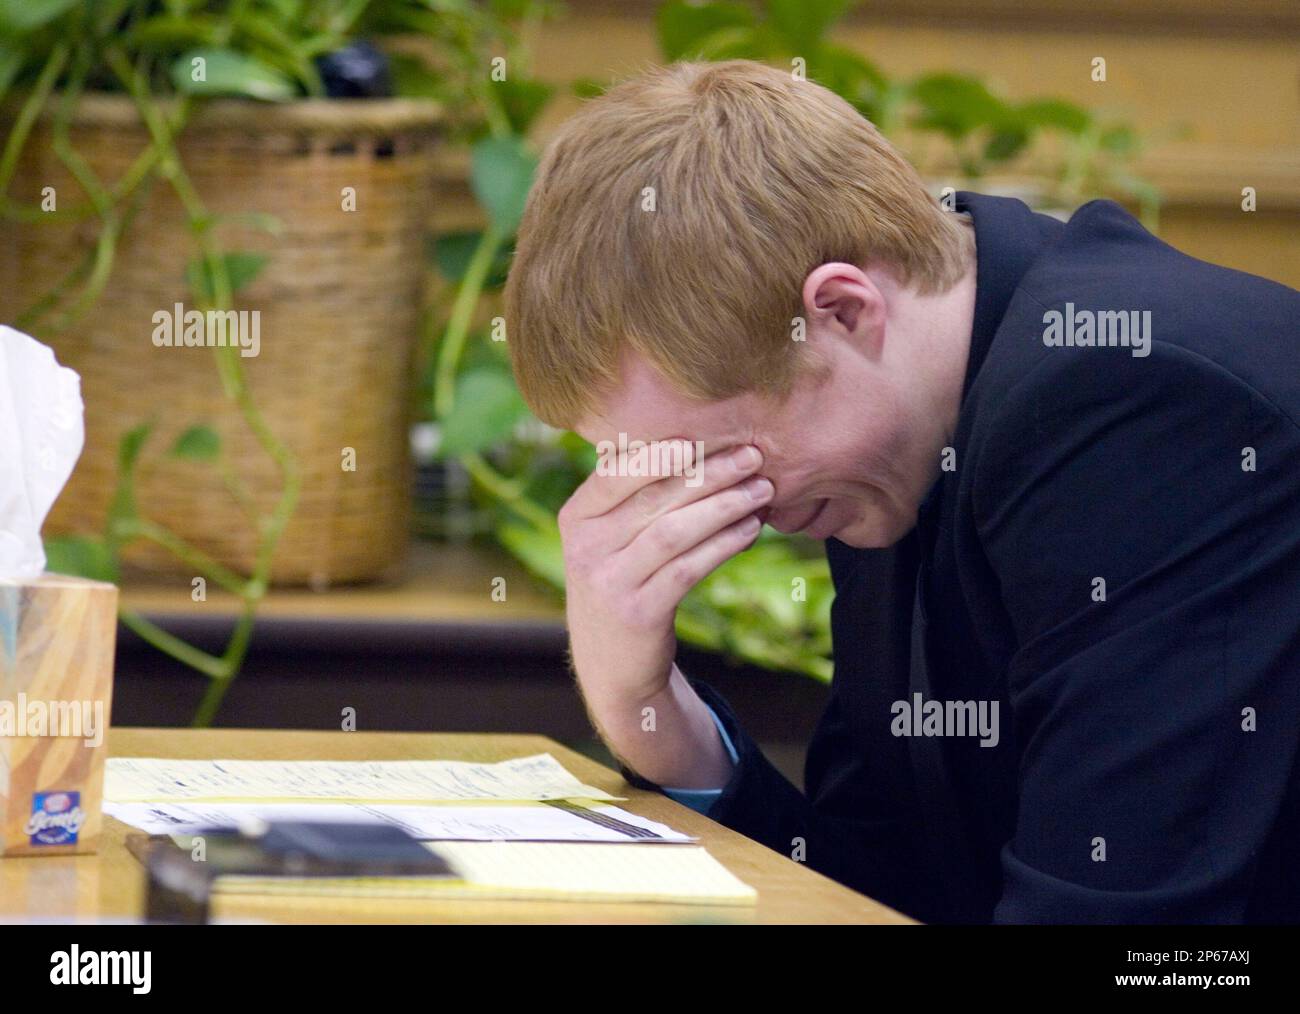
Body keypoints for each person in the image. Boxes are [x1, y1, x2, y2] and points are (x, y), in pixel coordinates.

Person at [504, 60, 1300, 923]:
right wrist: (647, 707)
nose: (732, 509)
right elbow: (886, 891)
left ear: (842, 312)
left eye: (713, 457)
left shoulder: (1136, 397)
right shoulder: (892, 444)